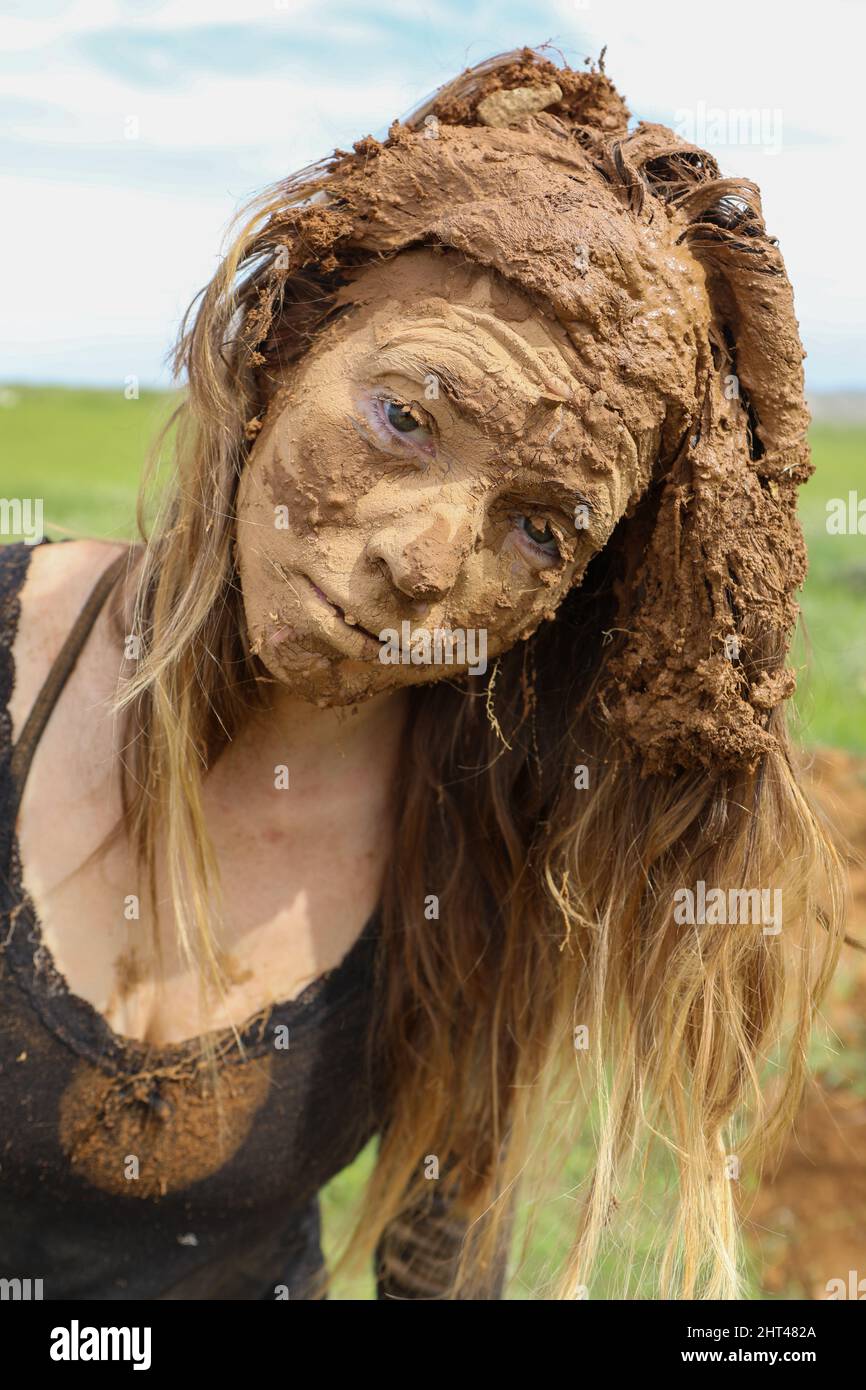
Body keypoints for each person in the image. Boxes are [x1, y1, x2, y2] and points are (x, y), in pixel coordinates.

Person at [0, 46, 846, 1300]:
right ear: (285, 337)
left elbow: (445, 1248)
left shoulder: (480, 834)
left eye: (539, 527)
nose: (422, 557)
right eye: (404, 417)